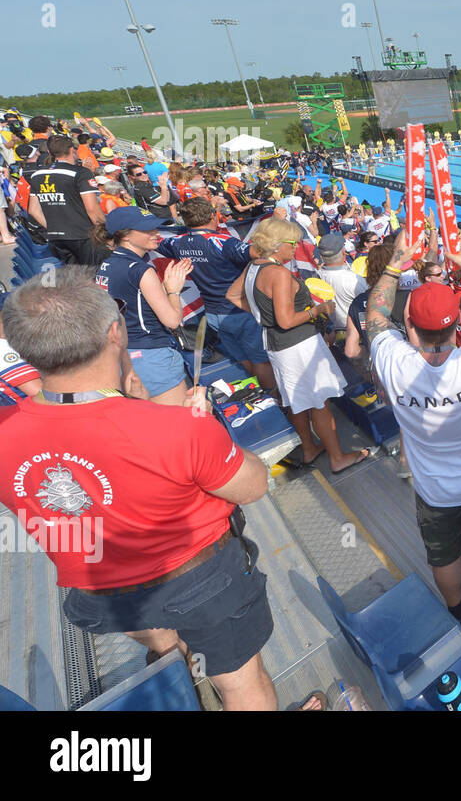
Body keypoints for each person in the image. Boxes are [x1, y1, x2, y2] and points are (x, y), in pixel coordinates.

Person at [0, 269, 278, 710]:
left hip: (103, 594)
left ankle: (178, 672)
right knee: (242, 683)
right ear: (115, 332)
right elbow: (252, 486)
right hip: (200, 583)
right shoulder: (178, 430)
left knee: (168, 643)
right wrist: (202, 431)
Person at [368, 233, 461, 648]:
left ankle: (457, 617)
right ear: (457, 324)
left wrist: (395, 262)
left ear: (410, 328)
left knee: (446, 557)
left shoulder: (394, 361)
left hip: (435, 490)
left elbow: (376, 317)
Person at [225, 217, 372, 474]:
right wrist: (320, 310)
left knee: (296, 400)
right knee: (319, 402)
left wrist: (262, 315)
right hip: (299, 346)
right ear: (276, 244)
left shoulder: (253, 267)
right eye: (292, 243)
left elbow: (233, 295)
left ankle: (309, 448)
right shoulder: (278, 273)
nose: (295, 249)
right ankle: (337, 458)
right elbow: (287, 319)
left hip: (275, 344)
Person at [155, 198, 276, 396]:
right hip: (239, 311)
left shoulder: (177, 243)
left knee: (243, 358)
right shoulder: (223, 242)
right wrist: (276, 225)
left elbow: (157, 244)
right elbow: (257, 252)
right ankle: (273, 398)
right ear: (213, 216)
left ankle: (260, 397)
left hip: (212, 314)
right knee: (261, 360)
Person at [91, 208, 194, 407]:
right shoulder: (141, 270)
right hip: (152, 357)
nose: (156, 233)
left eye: (156, 228)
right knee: (175, 425)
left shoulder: (106, 265)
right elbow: (172, 320)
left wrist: (162, 288)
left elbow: (131, 302)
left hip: (122, 356)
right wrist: (173, 291)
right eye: (148, 230)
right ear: (126, 236)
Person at [23, 134, 107, 266]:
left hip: (56, 237)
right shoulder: (81, 173)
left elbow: (33, 210)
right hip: (84, 236)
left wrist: (54, 227)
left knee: (74, 279)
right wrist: (107, 233)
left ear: (50, 152)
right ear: (73, 150)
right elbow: (93, 210)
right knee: (96, 276)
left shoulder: (37, 174)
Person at [314, 233, 367, 333]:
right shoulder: (354, 280)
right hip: (355, 333)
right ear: (343, 253)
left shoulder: (315, 278)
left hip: (331, 333)